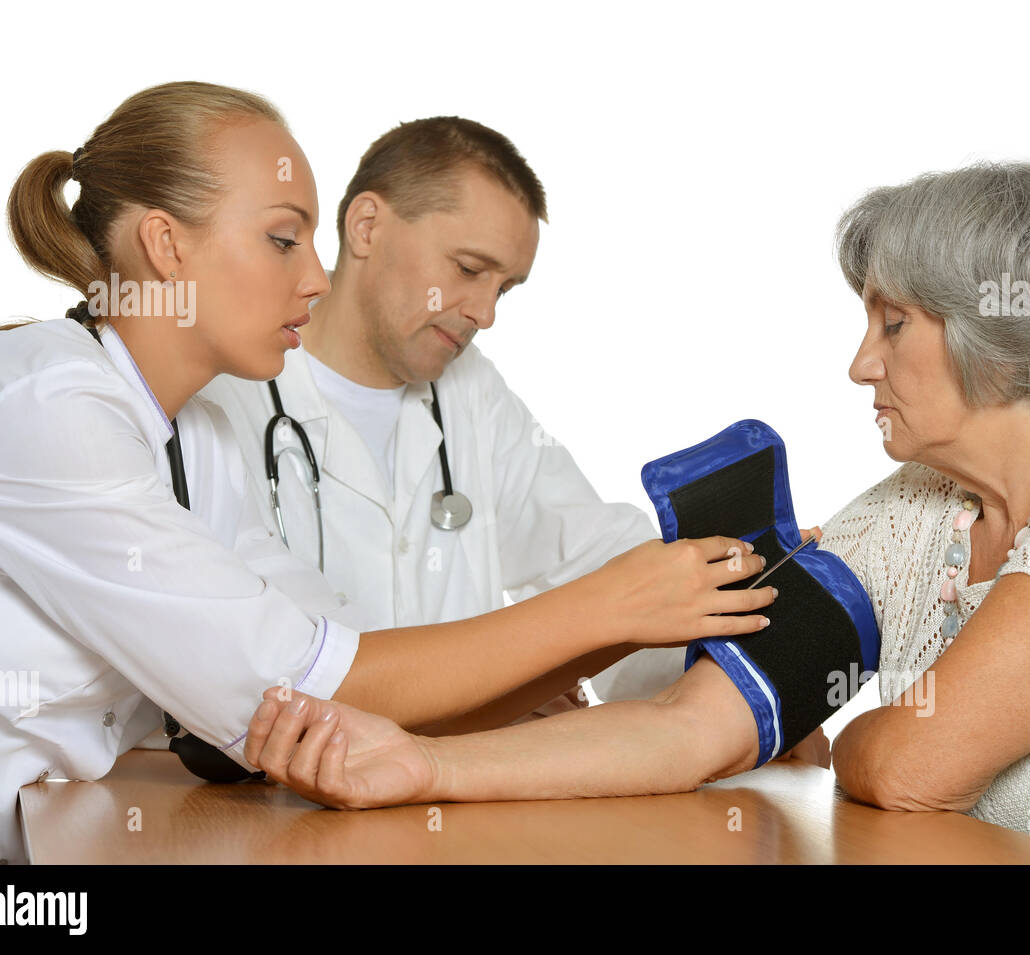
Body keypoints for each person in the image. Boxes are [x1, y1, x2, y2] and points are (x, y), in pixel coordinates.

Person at [246, 161, 1030, 865]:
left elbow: (915, 766)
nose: (860, 363)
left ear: (1003, 327)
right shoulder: (916, 516)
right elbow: (689, 729)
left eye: (891, 323)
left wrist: (852, 739)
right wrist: (421, 765)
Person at [0, 81, 776, 864]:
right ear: (165, 242)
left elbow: (349, 691)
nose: (313, 273)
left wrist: (635, 621)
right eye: (281, 238)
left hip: (44, 845)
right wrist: (612, 603)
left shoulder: (202, 440)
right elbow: (309, 678)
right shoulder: (48, 405)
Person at [198, 117, 687, 725]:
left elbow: (592, 555)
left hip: (442, 797)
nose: (484, 314)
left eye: (504, 288)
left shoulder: (469, 389)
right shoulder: (222, 393)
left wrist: (725, 684)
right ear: (367, 227)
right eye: (467, 269)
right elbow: (268, 668)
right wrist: (511, 693)